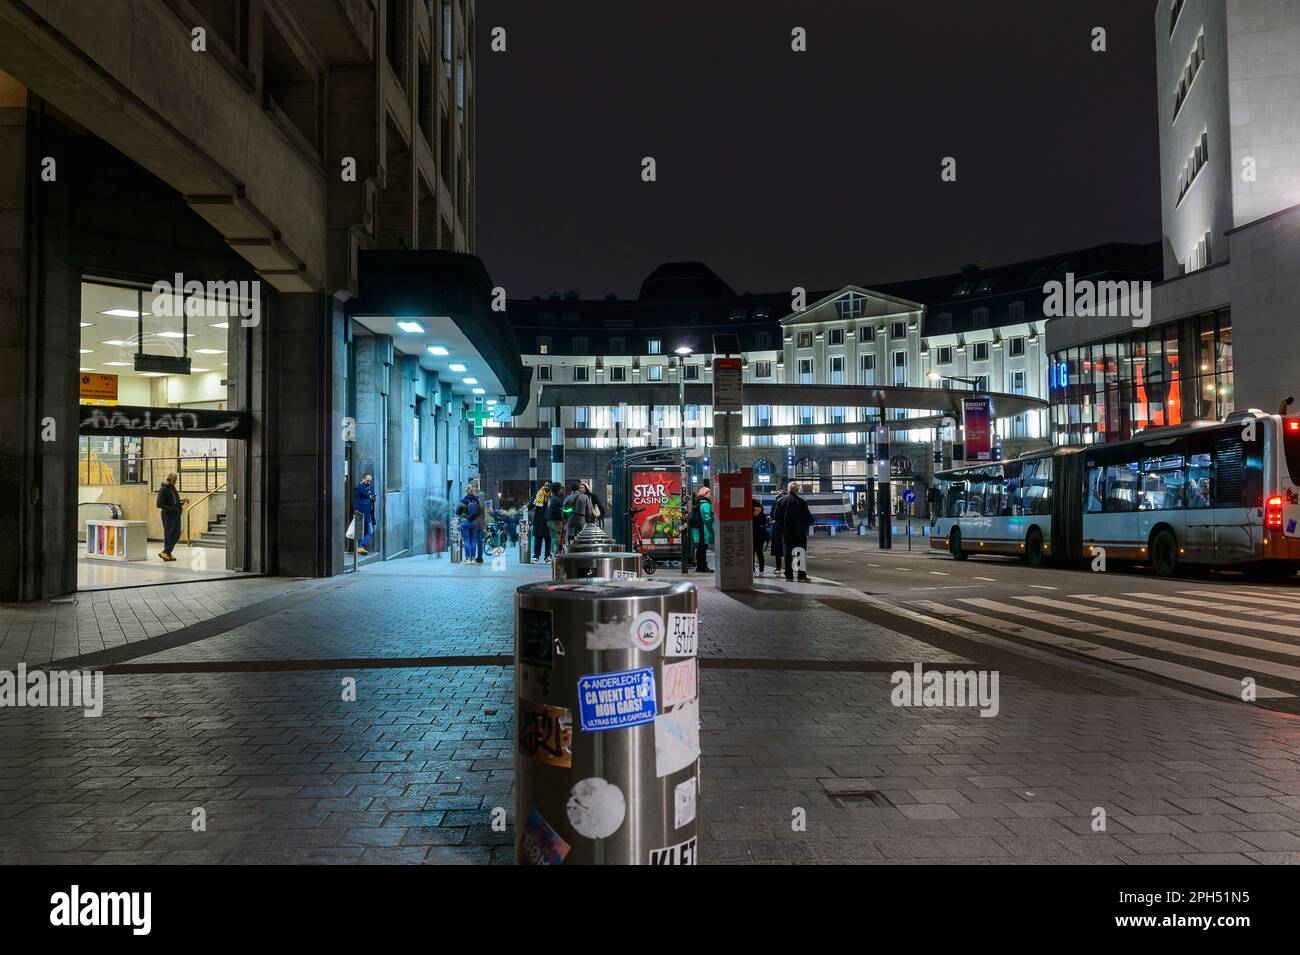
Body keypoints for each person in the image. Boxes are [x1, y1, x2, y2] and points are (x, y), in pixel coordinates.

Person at [773, 481, 814, 582]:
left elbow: (775, 517)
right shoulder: (801, 502)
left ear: (788, 489)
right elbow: (809, 518)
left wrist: (783, 525)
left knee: (787, 553)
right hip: (799, 532)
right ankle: (801, 575)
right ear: (797, 490)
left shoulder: (781, 501)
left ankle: (789, 575)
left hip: (787, 532)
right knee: (800, 553)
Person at [155, 472, 187, 562]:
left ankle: (167, 553)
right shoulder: (164, 489)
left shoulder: (172, 488)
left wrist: (181, 502)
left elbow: (173, 502)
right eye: (174, 480)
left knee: (176, 533)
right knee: (171, 534)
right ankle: (166, 552)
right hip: (168, 515)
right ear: (170, 479)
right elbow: (159, 504)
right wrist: (172, 510)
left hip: (175, 515)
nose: (176, 482)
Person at [689, 486, 714, 573]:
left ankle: (700, 567)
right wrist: (711, 528)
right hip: (703, 531)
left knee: (700, 549)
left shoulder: (698, 503)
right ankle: (702, 568)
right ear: (705, 494)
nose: (710, 495)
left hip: (697, 531)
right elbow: (707, 518)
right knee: (702, 549)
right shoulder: (706, 504)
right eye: (709, 493)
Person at [459, 485, 485, 563]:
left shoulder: (463, 501)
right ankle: (473, 558)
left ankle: (467, 558)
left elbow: (457, 511)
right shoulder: (477, 500)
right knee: (474, 540)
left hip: (465, 522)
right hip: (474, 523)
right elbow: (480, 511)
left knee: (467, 540)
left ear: (466, 492)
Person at [353, 473, 376, 555]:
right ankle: (360, 546)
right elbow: (356, 501)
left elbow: (372, 497)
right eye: (367, 481)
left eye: (370, 481)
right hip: (361, 512)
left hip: (369, 512)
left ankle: (360, 546)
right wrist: (356, 512)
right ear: (362, 479)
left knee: (369, 530)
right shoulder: (358, 488)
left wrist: (372, 498)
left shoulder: (369, 487)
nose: (369, 483)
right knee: (365, 530)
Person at [531, 483, 553, 563]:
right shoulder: (538, 494)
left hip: (548, 521)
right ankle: (536, 556)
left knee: (548, 539)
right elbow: (531, 504)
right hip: (539, 520)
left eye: (548, 486)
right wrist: (525, 508)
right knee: (538, 538)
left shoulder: (552, 496)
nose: (546, 487)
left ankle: (547, 556)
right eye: (545, 485)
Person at [546, 481, 567, 554]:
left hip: (551, 521)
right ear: (557, 490)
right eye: (561, 489)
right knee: (558, 536)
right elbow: (563, 510)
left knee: (553, 537)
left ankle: (554, 552)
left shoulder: (554, 498)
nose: (562, 490)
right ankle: (558, 552)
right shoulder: (557, 500)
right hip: (556, 521)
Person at [769, 488, 786, 575]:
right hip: (786, 527)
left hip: (778, 528)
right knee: (787, 548)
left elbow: (772, 516)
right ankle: (787, 568)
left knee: (778, 549)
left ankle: (778, 567)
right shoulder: (787, 503)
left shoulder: (776, 503)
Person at [752, 498, 769, 575]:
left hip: (752, 536)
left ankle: (752, 570)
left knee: (751, 554)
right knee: (760, 554)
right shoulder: (763, 515)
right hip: (760, 537)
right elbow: (764, 524)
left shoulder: (751, 515)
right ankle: (761, 571)